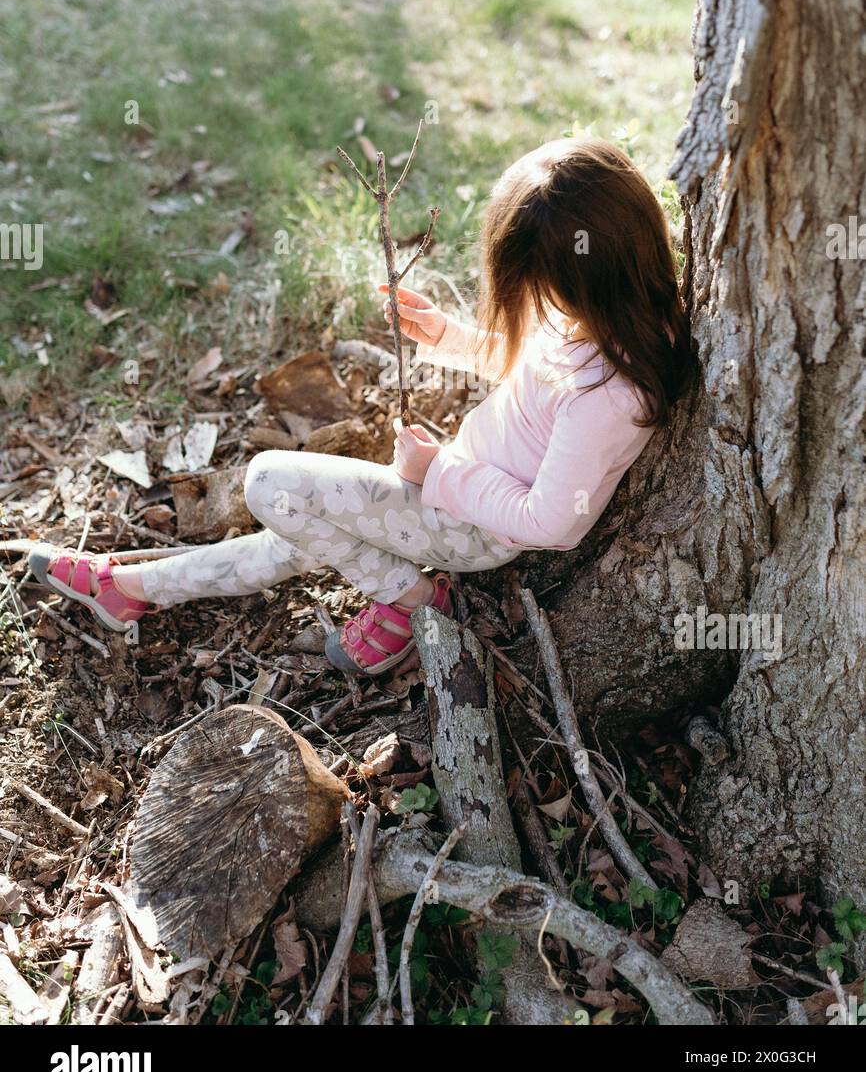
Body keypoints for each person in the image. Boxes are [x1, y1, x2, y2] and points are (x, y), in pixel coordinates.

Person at [30, 137, 691, 677]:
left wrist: (439, 476)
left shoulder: (610, 395)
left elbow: (552, 523)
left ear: (580, 281)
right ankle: (130, 592)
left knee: (270, 484)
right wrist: (452, 341)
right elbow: (532, 370)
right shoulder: (614, 320)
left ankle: (412, 600)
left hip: (473, 527)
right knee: (293, 537)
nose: (535, 307)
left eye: (541, 291)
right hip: (452, 494)